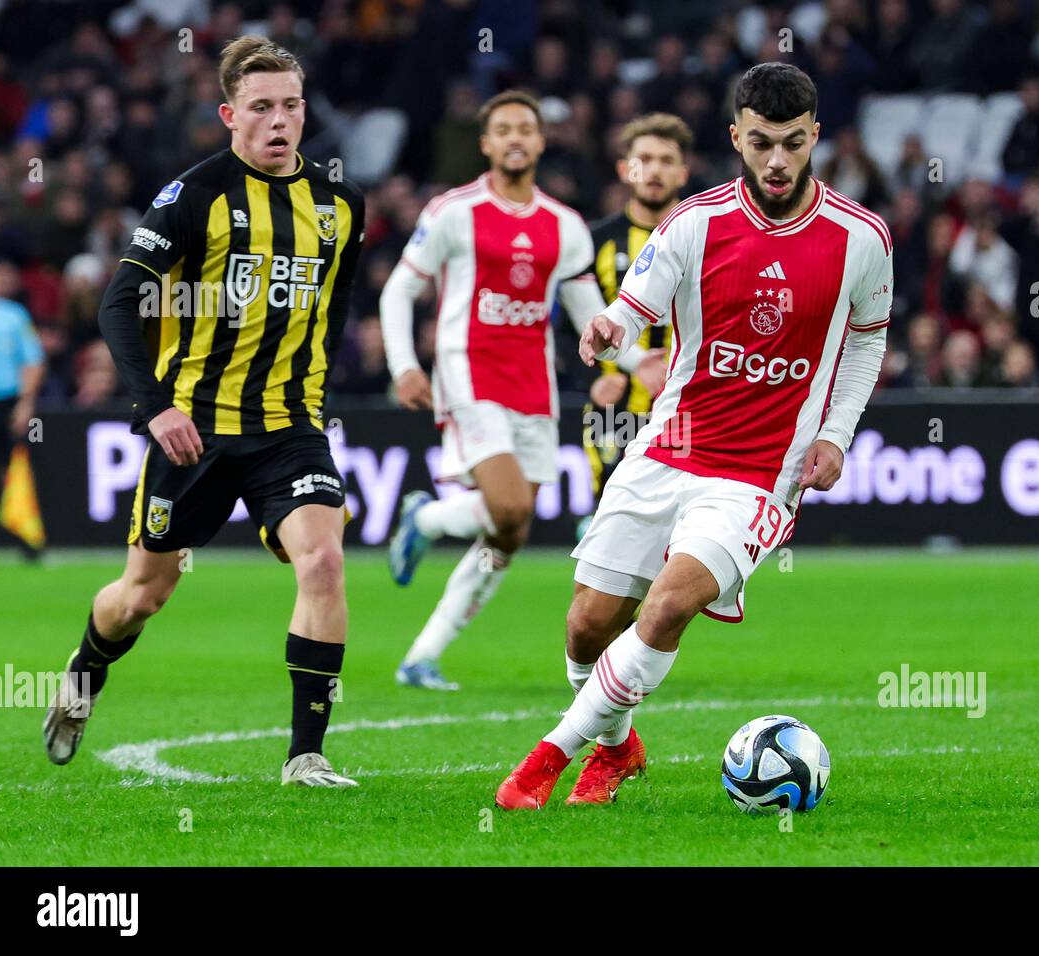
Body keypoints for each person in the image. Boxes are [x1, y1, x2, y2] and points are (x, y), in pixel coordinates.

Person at [495, 63, 892, 809]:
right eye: (763, 142)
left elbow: (866, 345)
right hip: (668, 447)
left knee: (670, 604)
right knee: (586, 627)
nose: (778, 161)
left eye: (794, 144)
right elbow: (631, 305)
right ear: (736, 136)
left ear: (817, 138)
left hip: (759, 474)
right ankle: (619, 747)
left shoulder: (862, 238)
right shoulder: (694, 221)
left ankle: (547, 759)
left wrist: (835, 436)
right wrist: (611, 326)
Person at [42, 37, 365, 788]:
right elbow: (123, 303)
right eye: (261, 108)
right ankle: (85, 672)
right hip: (195, 431)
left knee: (322, 560)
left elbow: (337, 303)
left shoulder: (340, 205)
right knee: (142, 596)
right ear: (228, 115)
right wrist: (154, 408)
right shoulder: (194, 196)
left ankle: (305, 754)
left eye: (291, 105)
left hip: (289, 427)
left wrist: (317, 393)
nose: (279, 121)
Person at [380, 91, 652, 690]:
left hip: (533, 382)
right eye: (502, 129)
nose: (514, 138)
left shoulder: (565, 226)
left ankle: (421, 655)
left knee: (508, 534)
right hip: (468, 369)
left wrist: (639, 361)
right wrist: (404, 365)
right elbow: (399, 290)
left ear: (540, 140)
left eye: (525, 128)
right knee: (509, 507)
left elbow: (589, 316)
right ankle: (425, 520)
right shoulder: (452, 211)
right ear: (485, 143)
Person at [581, 113, 692, 536]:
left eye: (667, 160)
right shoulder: (594, 241)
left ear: (682, 172)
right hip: (615, 409)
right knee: (614, 527)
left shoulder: (704, 237)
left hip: (687, 407)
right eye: (644, 158)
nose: (655, 169)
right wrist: (587, 380)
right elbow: (565, 324)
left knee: (680, 529)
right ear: (625, 169)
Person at [0, 258, 45, 556]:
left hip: (5, 403)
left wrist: (25, 403)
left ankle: (24, 535)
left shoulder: (13, 317)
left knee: (12, 470)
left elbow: (32, 361)